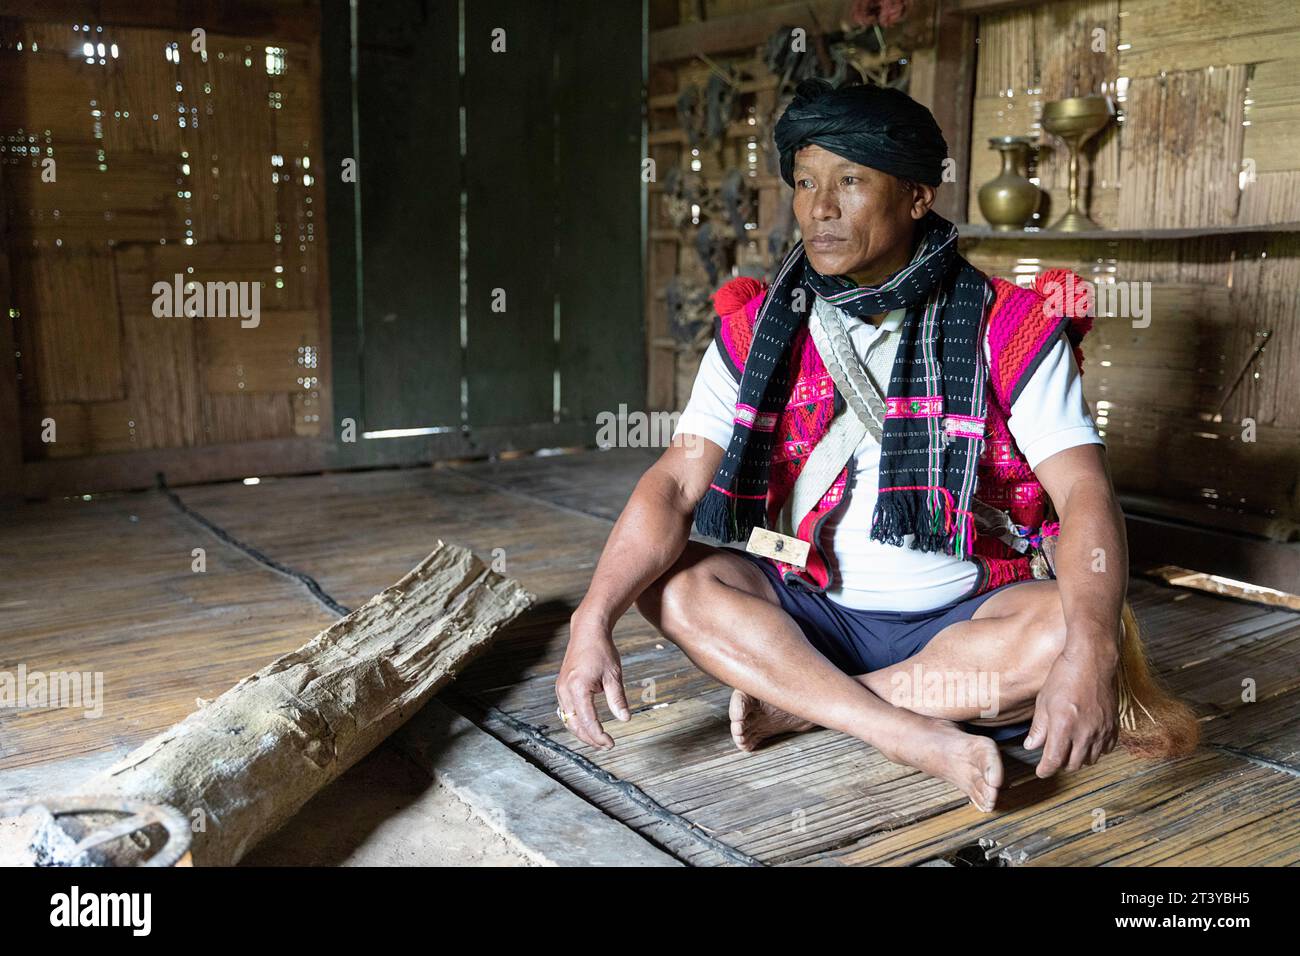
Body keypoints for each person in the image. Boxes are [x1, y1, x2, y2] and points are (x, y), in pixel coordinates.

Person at [555, 77, 1194, 812]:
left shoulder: (1007, 329)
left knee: (1066, 630)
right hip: (808, 607)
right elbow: (673, 484)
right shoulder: (757, 332)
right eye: (804, 182)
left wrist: (1093, 652)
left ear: (918, 196)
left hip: (964, 616)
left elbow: (1084, 493)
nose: (819, 208)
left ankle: (807, 703)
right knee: (668, 586)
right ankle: (905, 731)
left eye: (850, 181)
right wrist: (590, 618)